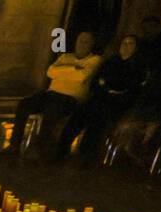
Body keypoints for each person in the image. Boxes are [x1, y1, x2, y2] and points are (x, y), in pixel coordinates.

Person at [4, 31, 103, 158]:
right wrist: (73, 69)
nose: (82, 44)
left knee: (52, 111)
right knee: (24, 104)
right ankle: (14, 145)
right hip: (51, 94)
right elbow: (50, 72)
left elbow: (81, 76)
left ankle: (37, 148)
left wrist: (63, 70)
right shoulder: (65, 57)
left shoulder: (95, 60)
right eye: (80, 40)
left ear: (92, 44)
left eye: (86, 41)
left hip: (71, 98)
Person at [60, 34, 146, 163]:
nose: (126, 46)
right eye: (124, 43)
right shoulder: (111, 62)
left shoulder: (138, 66)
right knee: (80, 115)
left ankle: (86, 155)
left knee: (98, 119)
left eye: (130, 44)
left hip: (119, 102)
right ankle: (61, 150)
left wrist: (109, 84)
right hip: (101, 96)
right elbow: (97, 81)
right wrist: (107, 86)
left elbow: (130, 86)